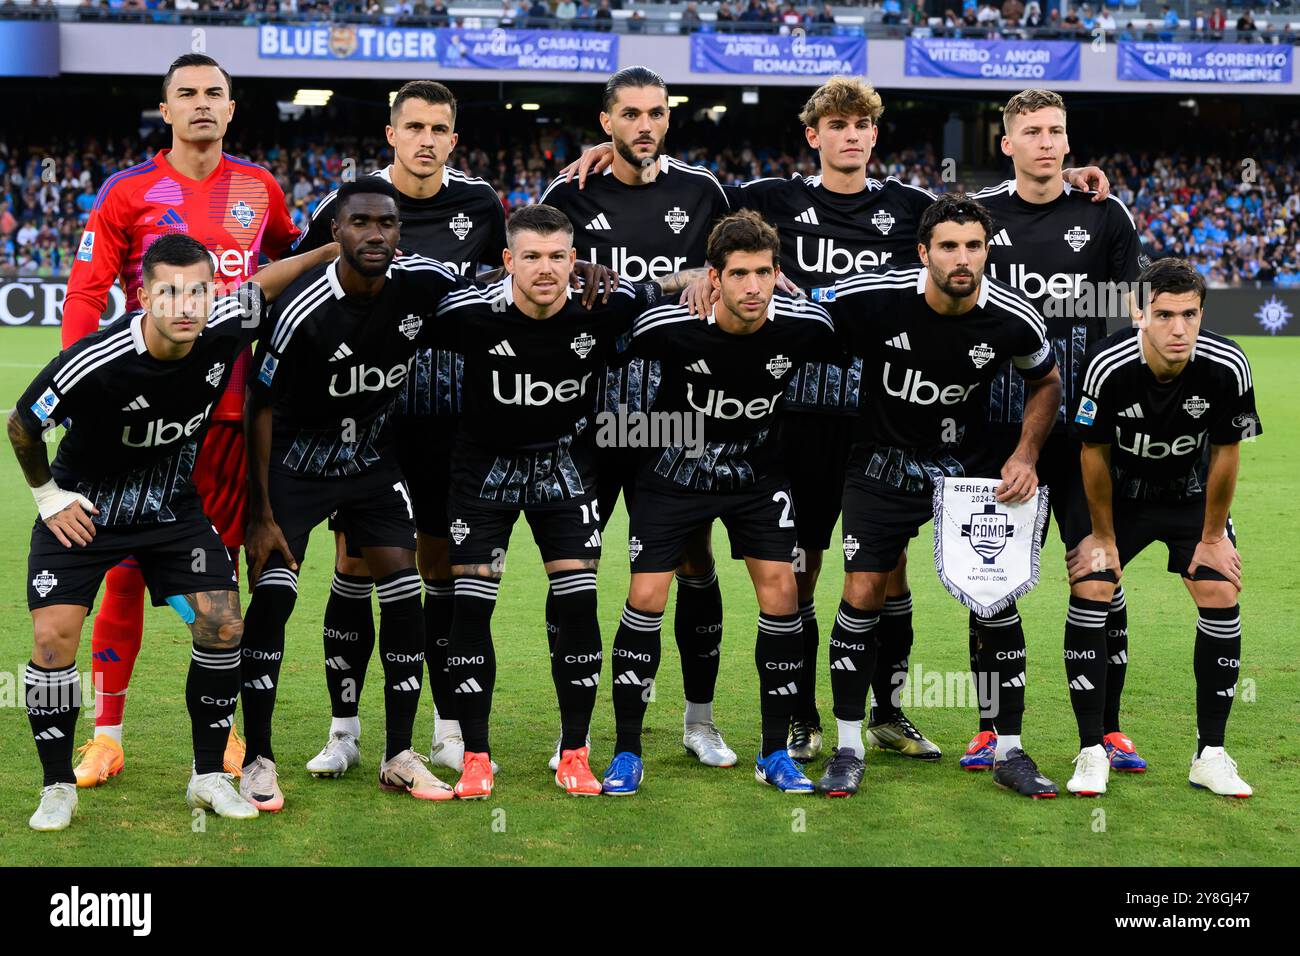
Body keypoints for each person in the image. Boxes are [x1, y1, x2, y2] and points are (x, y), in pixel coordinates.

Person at [14, 233, 332, 831]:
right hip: (87, 511)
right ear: (144, 297)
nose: (185, 306)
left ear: (213, 295)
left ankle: (207, 776)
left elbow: (262, 285)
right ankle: (56, 787)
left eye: (198, 293)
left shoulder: (222, 327)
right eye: (169, 293)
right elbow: (23, 423)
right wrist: (49, 497)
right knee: (53, 640)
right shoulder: (97, 360)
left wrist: (324, 253)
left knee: (223, 624)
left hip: (170, 510)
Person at [62, 53, 300, 791]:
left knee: (215, 576)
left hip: (226, 417)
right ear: (165, 110)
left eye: (214, 94)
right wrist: (83, 387)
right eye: (187, 94)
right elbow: (86, 291)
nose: (202, 104)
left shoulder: (260, 189)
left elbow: (290, 265)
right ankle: (107, 737)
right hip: (139, 423)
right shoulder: (126, 190)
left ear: (231, 109)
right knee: (125, 574)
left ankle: (221, 736)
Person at [428, 205, 699, 798]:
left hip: (565, 469)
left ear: (574, 260)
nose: (545, 269)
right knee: (470, 610)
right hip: (484, 474)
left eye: (557, 257)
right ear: (508, 260)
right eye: (531, 257)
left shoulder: (605, 304)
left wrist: (705, 277)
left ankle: (575, 753)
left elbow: (667, 285)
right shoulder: (467, 311)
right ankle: (475, 756)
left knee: (578, 606)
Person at [812, 195, 1062, 798]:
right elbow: (797, 307)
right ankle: (848, 747)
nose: (962, 258)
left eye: (974, 246)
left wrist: (1025, 454)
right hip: (881, 463)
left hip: (966, 471)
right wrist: (700, 282)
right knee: (862, 590)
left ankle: (1008, 749)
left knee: (996, 598)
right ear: (924, 252)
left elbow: (1047, 382)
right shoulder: (873, 295)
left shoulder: (1013, 317)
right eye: (949, 246)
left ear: (987, 251)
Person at [291, 81, 507, 778]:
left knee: (439, 568)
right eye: (414, 127)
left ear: (454, 139)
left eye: (439, 129)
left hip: (451, 423)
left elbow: (505, 289)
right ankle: (344, 731)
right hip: (369, 425)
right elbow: (299, 288)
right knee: (356, 566)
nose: (426, 140)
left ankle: (446, 726)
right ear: (391, 134)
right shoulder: (350, 203)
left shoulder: (481, 206)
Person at [236, 178, 467, 812]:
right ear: (335, 231)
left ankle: (398, 756)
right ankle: (258, 759)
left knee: (404, 593)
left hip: (369, 460)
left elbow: (497, 291)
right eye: (360, 222)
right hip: (297, 464)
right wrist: (260, 512)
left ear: (399, 232)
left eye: (386, 223)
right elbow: (258, 403)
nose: (375, 233)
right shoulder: (301, 310)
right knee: (273, 600)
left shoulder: (423, 284)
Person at [602, 210, 841, 796]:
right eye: (738, 274)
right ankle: (627, 751)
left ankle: (774, 752)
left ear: (778, 273)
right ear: (714, 277)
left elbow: (858, 331)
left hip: (757, 473)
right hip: (674, 470)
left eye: (763, 273)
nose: (753, 287)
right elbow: (605, 331)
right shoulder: (667, 325)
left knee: (782, 594)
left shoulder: (806, 325)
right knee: (646, 596)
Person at [540, 67, 738, 772]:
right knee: (575, 571)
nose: (645, 125)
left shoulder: (704, 192)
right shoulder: (568, 193)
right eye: (630, 114)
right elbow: (540, 281)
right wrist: (667, 281)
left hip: (675, 415)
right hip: (586, 414)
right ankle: (574, 729)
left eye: (656, 112)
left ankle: (699, 720)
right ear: (606, 123)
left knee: (693, 561)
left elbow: (740, 269)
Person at [964, 89, 1146, 772]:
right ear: (1006, 144)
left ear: (1069, 142)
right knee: (991, 581)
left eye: (1056, 131)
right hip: (997, 431)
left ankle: (1109, 730)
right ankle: (992, 728)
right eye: (1032, 131)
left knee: (1099, 573)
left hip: (1084, 435)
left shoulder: (1103, 213)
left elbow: (1135, 315)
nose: (1046, 142)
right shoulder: (979, 217)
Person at [1066, 258, 1259, 798]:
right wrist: (1103, 538)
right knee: (1093, 584)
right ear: (1140, 315)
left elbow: (1226, 453)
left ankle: (1210, 755)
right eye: (1165, 315)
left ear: (1202, 314)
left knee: (1219, 590)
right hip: (1118, 496)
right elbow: (1092, 453)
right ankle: (1091, 750)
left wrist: (1213, 538)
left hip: (1187, 494)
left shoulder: (1227, 365)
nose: (1179, 329)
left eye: (1190, 315)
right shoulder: (1107, 365)